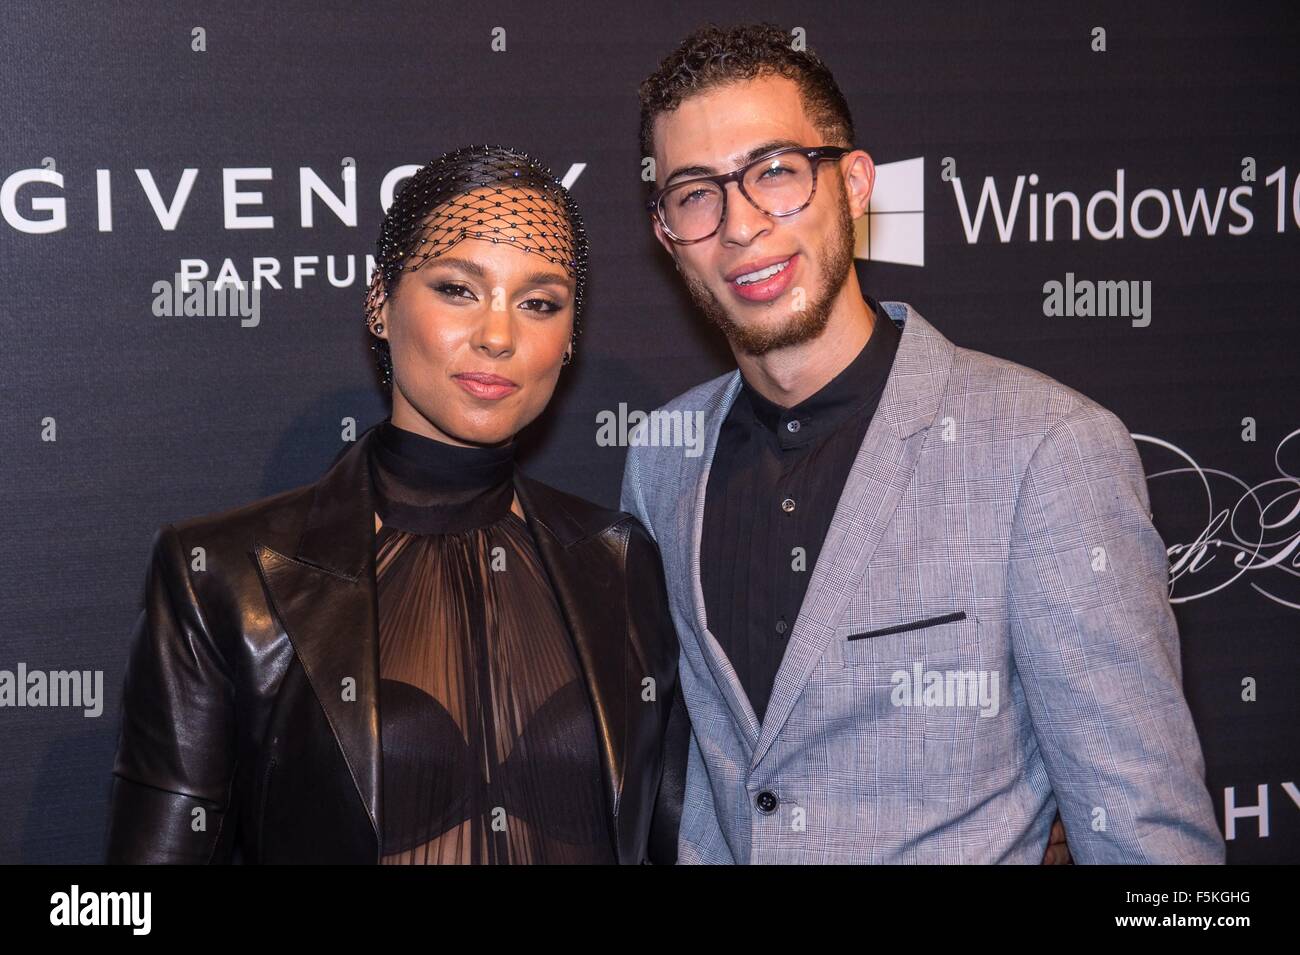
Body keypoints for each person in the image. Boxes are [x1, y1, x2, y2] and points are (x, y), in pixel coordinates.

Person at [621, 23, 1224, 863]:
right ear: (665, 234)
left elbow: (1146, 836)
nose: (742, 224)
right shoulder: (660, 461)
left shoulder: (1047, 449)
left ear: (855, 184)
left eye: (776, 173)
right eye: (696, 193)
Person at [105, 144, 684, 864]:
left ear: (569, 340)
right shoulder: (222, 577)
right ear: (380, 302)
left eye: (539, 303)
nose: (498, 336)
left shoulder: (620, 560)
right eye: (457, 289)